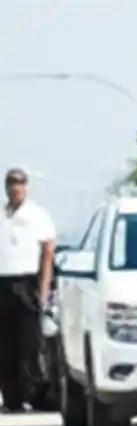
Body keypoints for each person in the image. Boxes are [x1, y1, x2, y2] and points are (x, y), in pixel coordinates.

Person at [0, 168, 57, 412]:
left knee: (30, 344)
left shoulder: (37, 216)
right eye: (11, 183)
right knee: (5, 344)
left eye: (20, 183)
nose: (15, 187)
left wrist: (43, 289)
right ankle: (11, 397)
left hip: (27, 283)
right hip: (2, 281)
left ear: (26, 186)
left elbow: (47, 252)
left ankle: (33, 394)